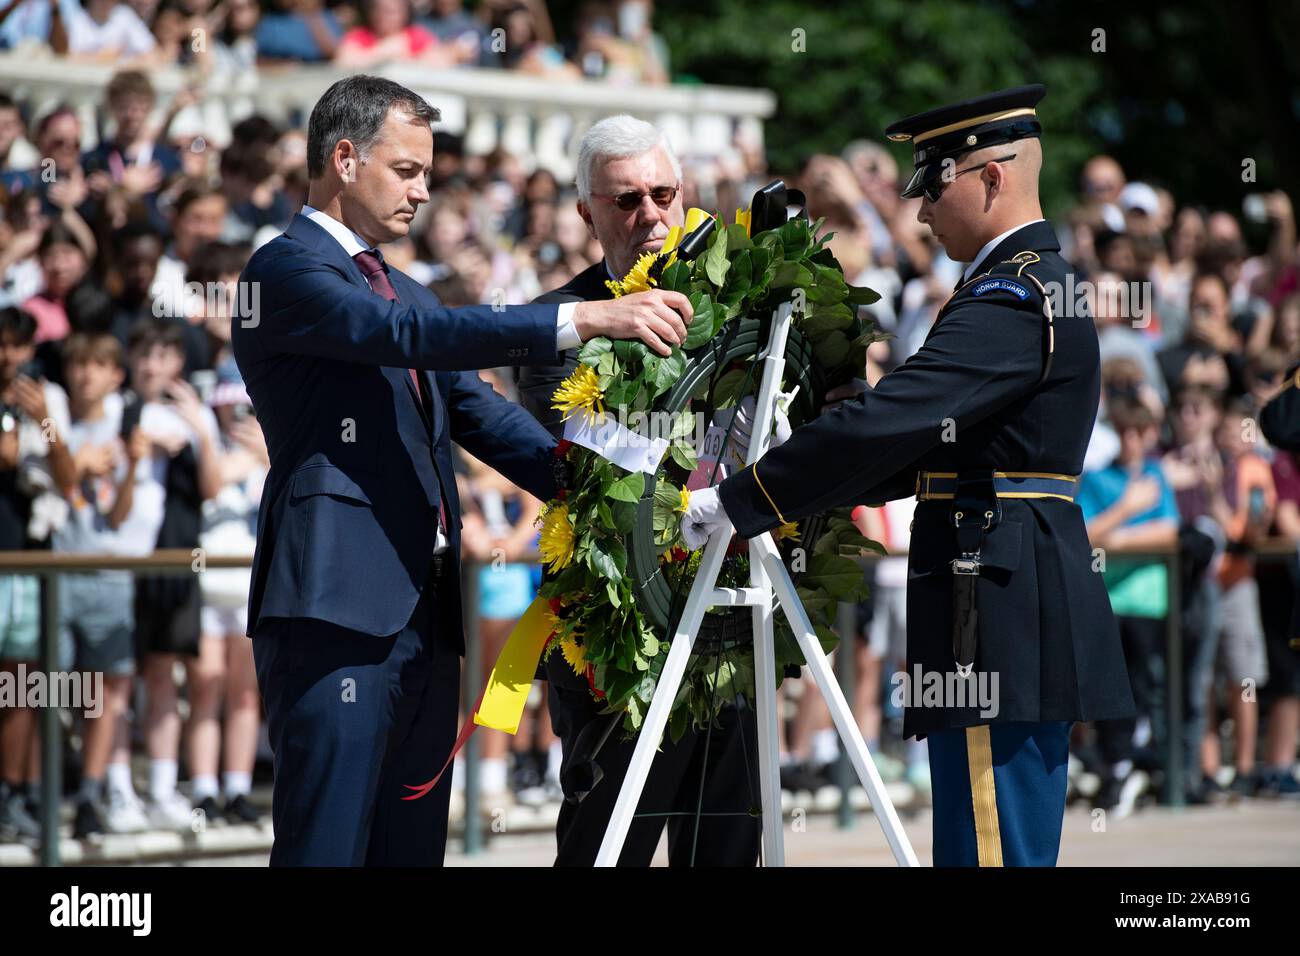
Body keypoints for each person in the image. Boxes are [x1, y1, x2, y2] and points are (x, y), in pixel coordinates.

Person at [231, 75, 691, 866]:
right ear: (345, 159)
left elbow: (487, 421)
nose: (423, 191)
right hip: (334, 609)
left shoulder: (404, 288)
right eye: (406, 170)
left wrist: (641, 500)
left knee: (411, 853)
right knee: (326, 850)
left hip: (426, 616)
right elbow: (406, 337)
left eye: (427, 173)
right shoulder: (283, 270)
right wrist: (579, 319)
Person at [683, 85, 1136, 866]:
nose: (922, 211)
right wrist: (827, 450)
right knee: (985, 842)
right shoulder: (1027, 285)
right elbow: (926, 446)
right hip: (997, 588)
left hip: (993, 601)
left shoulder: (1013, 294)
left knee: (989, 849)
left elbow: (894, 425)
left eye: (937, 185)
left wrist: (741, 497)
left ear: (992, 177)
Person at [515, 114, 766, 867]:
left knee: (724, 845)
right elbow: (600, 466)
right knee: (607, 847)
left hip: (726, 617)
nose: (652, 217)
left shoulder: (738, 306)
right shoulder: (558, 321)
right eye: (627, 201)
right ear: (587, 212)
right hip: (613, 631)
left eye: (665, 194)